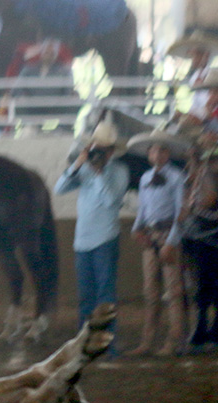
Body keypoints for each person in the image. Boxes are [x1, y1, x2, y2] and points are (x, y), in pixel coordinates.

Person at [54, 118, 130, 337]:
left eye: (104, 150)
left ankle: (108, 343)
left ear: (112, 151)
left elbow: (110, 201)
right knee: (85, 297)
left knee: (105, 296)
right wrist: (77, 165)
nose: (99, 153)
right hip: (83, 241)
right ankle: (83, 342)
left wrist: (98, 174)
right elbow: (59, 189)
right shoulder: (84, 169)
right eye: (96, 148)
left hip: (105, 238)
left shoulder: (119, 171)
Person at [125, 130, 189, 356]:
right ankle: (147, 342)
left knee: (173, 291)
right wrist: (136, 229)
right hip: (150, 235)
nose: (157, 154)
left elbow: (181, 211)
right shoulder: (144, 178)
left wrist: (171, 242)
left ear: (168, 154)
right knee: (150, 292)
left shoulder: (177, 177)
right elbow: (143, 209)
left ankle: (175, 341)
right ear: (149, 155)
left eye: (162, 150)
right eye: (153, 150)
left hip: (167, 234)